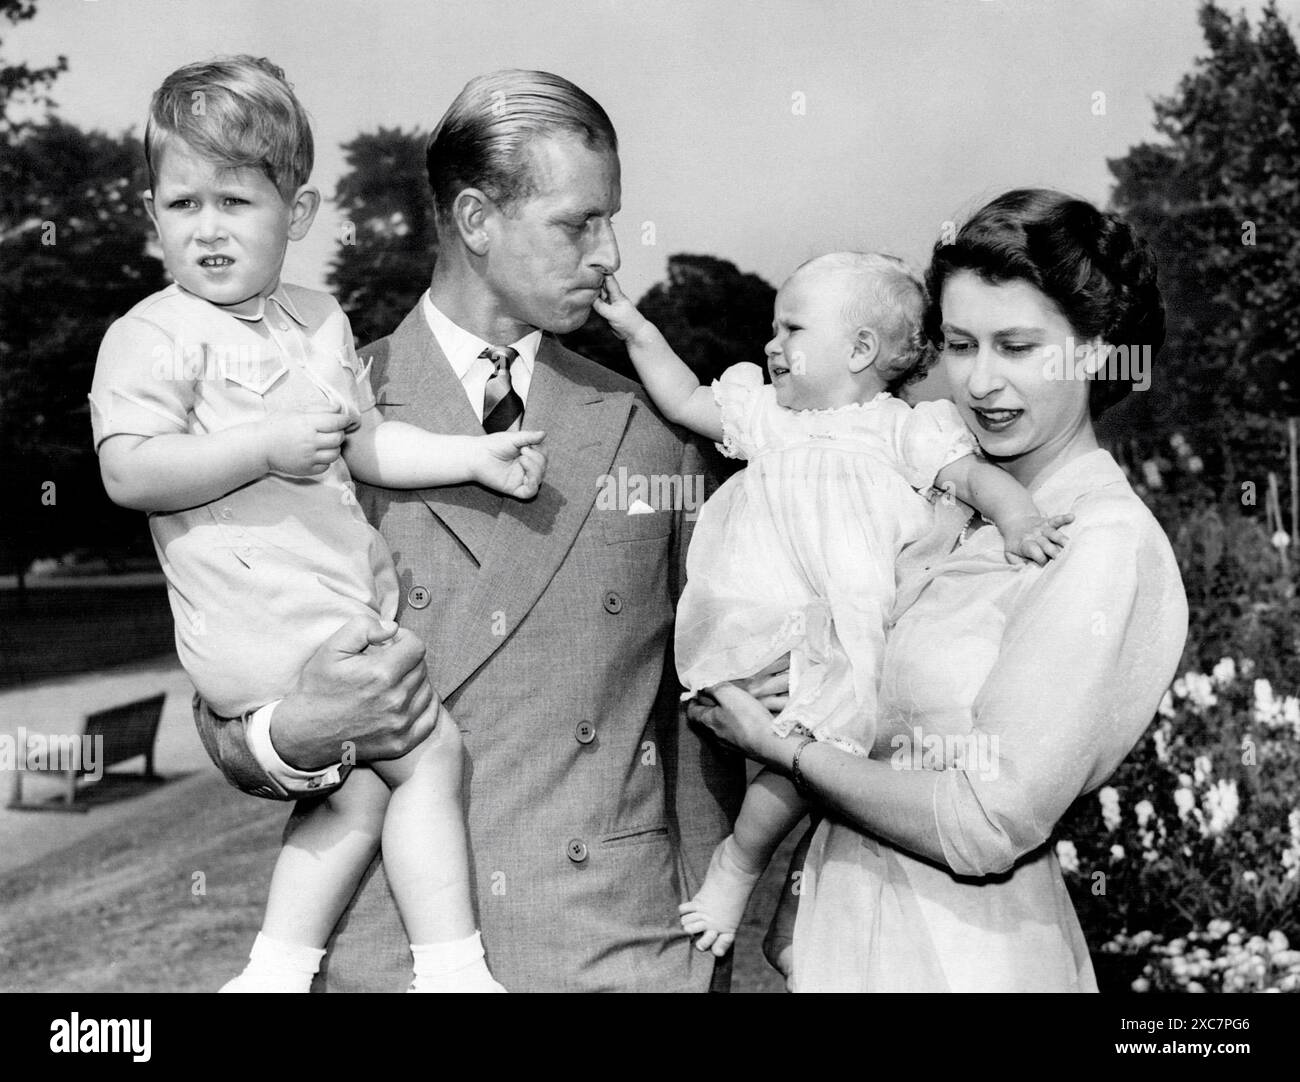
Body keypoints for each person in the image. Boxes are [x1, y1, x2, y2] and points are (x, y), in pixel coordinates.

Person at [191, 68, 747, 991]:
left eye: (611, 218)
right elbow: (227, 682)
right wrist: (290, 733)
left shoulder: (652, 429)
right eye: (580, 222)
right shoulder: (316, 419)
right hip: (391, 955)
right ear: (478, 219)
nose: (610, 252)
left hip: (617, 953)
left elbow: (704, 707)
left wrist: (700, 938)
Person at [92, 56, 549, 992]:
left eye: (236, 202)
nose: (209, 228)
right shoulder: (151, 332)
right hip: (260, 621)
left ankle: (272, 972)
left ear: (294, 216)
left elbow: (366, 444)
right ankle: (454, 971)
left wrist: (468, 456)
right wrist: (261, 446)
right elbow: (128, 470)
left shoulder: (316, 319)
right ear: (151, 219)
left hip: (329, 614)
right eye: (183, 206)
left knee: (363, 796)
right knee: (434, 754)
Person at [689, 189, 1189, 991]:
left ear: (1095, 351)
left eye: (1018, 347)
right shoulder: (943, 497)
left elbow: (988, 822)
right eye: (961, 345)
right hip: (844, 934)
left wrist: (781, 748)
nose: (981, 382)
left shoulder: (1100, 544)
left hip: (965, 955)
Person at [593, 254, 1072, 956]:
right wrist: (635, 329)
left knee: (817, 748)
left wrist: (1022, 518)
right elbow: (685, 397)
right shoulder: (767, 417)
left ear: (859, 350)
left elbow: (974, 481)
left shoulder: (902, 430)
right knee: (755, 725)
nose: (770, 345)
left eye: (791, 328)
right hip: (756, 613)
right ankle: (781, 896)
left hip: (845, 627)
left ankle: (742, 866)